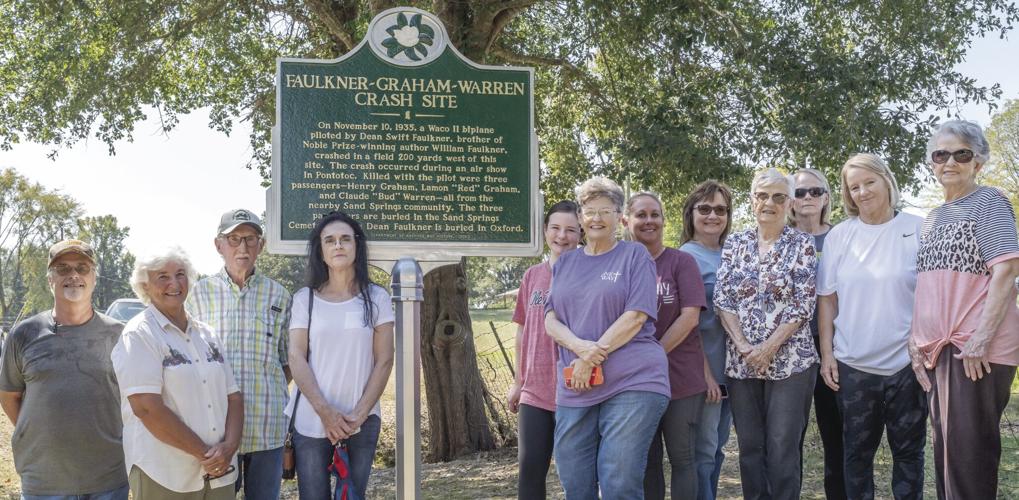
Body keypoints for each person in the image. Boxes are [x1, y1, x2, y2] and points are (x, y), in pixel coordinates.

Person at [911, 120, 1019, 499]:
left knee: (968, 462)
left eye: (961, 154)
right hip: (940, 351)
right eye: (940, 155)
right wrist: (915, 342)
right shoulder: (933, 218)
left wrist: (979, 340)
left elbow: (1007, 270)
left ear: (978, 162)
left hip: (974, 352)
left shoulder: (990, 202)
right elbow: (928, 287)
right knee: (947, 456)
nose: (949, 162)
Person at [544, 176, 669, 499]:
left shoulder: (635, 256)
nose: (596, 218)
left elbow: (636, 316)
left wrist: (590, 356)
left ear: (619, 217)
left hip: (633, 379)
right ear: (580, 217)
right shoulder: (565, 262)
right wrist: (579, 349)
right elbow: (550, 319)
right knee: (575, 481)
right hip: (576, 383)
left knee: (618, 481)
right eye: (589, 211)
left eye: (605, 211)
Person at [817, 154, 927, 499]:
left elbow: (934, 294)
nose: (862, 192)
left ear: (887, 181)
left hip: (908, 366)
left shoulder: (920, 227)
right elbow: (827, 300)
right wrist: (827, 354)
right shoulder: (840, 235)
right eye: (854, 187)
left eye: (869, 182)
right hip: (854, 366)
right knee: (856, 456)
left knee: (909, 455)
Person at [714, 168, 819, 500]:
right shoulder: (735, 243)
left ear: (789, 203)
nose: (769, 203)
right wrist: (746, 348)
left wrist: (768, 348)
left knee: (782, 445)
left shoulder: (802, 244)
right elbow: (723, 299)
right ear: (752, 200)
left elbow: (803, 303)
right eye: (762, 195)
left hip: (791, 362)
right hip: (742, 362)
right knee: (750, 447)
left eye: (778, 196)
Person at [0, 240, 129, 500]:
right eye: (63, 268)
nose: (74, 275)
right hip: (43, 483)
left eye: (82, 268)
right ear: (50, 279)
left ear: (94, 278)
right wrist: (41, 431)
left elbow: (134, 401)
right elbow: (9, 395)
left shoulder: (120, 335)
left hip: (108, 481)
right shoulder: (24, 334)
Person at [112, 247, 242, 498]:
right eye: (162, 276)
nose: (174, 283)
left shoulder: (207, 334)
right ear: (145, 285)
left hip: (220, 473)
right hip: (166, 474)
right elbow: (146, 408)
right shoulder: (139, 334)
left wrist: (229, 448)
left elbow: (234, 397)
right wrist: (206, 454)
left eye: (180, 274)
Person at [286, 211, 395, 499]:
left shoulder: (378, 298)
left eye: (345, 239)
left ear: (356, 246)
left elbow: (384, 360)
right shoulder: (305, 299)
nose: (338, 245)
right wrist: (325, 412)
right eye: (330, 240)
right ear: (320, 250)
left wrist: (358, 415)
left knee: (352, 496)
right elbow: (296, 357)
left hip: (361, 421)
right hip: (312, 421)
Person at [187, 208, 292, 499]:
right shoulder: (198, 295)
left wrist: (267, 387)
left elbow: (288, 361)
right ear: (218, 245)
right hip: (216, 431)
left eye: (250, 238)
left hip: (266, 425)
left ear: (261, 244)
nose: (242, 247)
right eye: (234, 239)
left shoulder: (280, 296)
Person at [626, 192, 707, 500]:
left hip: (681, 378)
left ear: (663, 220)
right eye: (641, 215)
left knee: (683, 458)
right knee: (647, 461)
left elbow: (690, 317)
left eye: (655, 215)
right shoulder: (620, 264)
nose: (649, 221)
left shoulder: (681, 262)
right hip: (635, 381)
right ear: (626, 221)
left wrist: (652, 355)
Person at [507, 201, 583, 499]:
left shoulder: (589, 272)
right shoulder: (532, 275)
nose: (562, 236)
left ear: (581, 233)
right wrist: (518, 382)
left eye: (570, 230)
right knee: (530, 470)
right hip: (534, 391)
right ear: (545, 231)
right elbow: (522, 330)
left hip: (577, 389)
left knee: (576, 475)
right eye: (555, 228)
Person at [789, 168, 845, 500]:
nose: (807, 197)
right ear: (790, 201)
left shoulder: (843, 236)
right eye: (799, 192)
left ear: (826, 198)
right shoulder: (781, 239)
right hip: (789, 347)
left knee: (836, 433)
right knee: (788, 436)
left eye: (815, 191)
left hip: (835, 347)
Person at [680, 180, 734, 500]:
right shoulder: (686, 258)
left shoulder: (735, 253)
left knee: (718, 448)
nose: (713, 216)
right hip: (705, 371)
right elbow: (686, 325)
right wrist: (706, 375)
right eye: (705, 208)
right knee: (703, 450)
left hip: (735, 370)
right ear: (691, 213)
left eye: (720, 209)